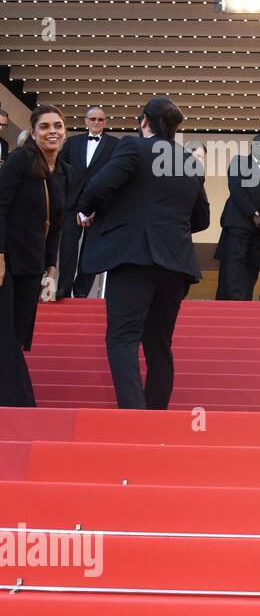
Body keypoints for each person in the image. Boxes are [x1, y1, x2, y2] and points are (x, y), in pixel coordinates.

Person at [74, 96, 209, 410]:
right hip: (176, 265)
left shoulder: (132, 147)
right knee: (159, 347)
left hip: (134, 259)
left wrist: (86, 211)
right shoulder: (190, 162)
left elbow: (96, 187)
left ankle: (134, 419)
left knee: (122, 339)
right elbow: (201, 219)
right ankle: (154, 419)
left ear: (145, 122)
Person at [0, 105, 65, 407]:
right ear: (35, 131)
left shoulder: (63, 171)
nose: (52, 131)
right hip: (8, 262)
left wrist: (51, 267)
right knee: (7, 336)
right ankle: (18, 403)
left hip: (32, 264)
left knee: (16, 335)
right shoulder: (20, 160)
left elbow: (56, 224)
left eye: (58, 125)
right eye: (45, 126)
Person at [55, 105, 117, 299]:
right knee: (67, 249)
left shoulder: (115, 145)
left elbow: (115, 178)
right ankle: (63, 289)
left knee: (90, 252)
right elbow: (60, 173)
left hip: (99, 208)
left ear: (105, 122)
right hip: (71, 206)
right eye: (93, 119)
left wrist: (94, 208)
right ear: (86, 121)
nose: (97, 122)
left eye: (100, 119)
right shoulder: (72, 143)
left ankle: (81, 291)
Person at [216, 133, 260, 301]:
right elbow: (236, 189)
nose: (258, 146)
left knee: (252, 266)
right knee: (236, 262)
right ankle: (234, 301)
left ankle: (245, 301)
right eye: (255, 143)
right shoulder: (239, 162)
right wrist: (253, 215)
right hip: (240, 223)